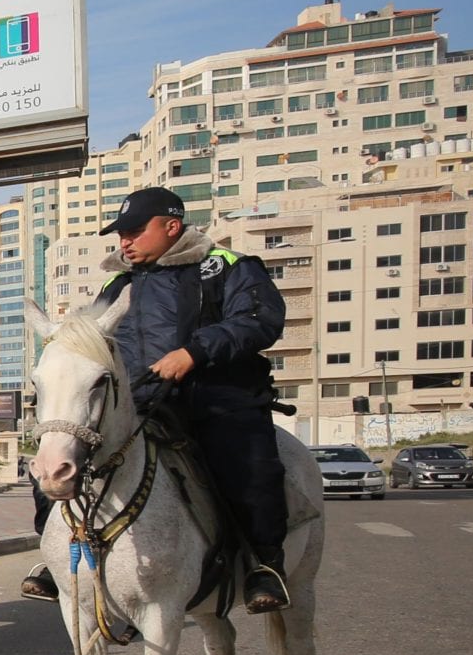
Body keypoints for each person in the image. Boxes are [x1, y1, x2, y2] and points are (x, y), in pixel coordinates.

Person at [27, 186, 291, 612]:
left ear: (172, 226)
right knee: (57, 460)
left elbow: (260, 320)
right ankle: (55, 561)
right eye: (120, 234)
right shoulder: (117, 286)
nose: (124, 241)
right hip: (145, 404)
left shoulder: (224, 267)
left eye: (134, 231)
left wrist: (194, 352)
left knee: (249, 467)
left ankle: (265, 563)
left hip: (217, 398)